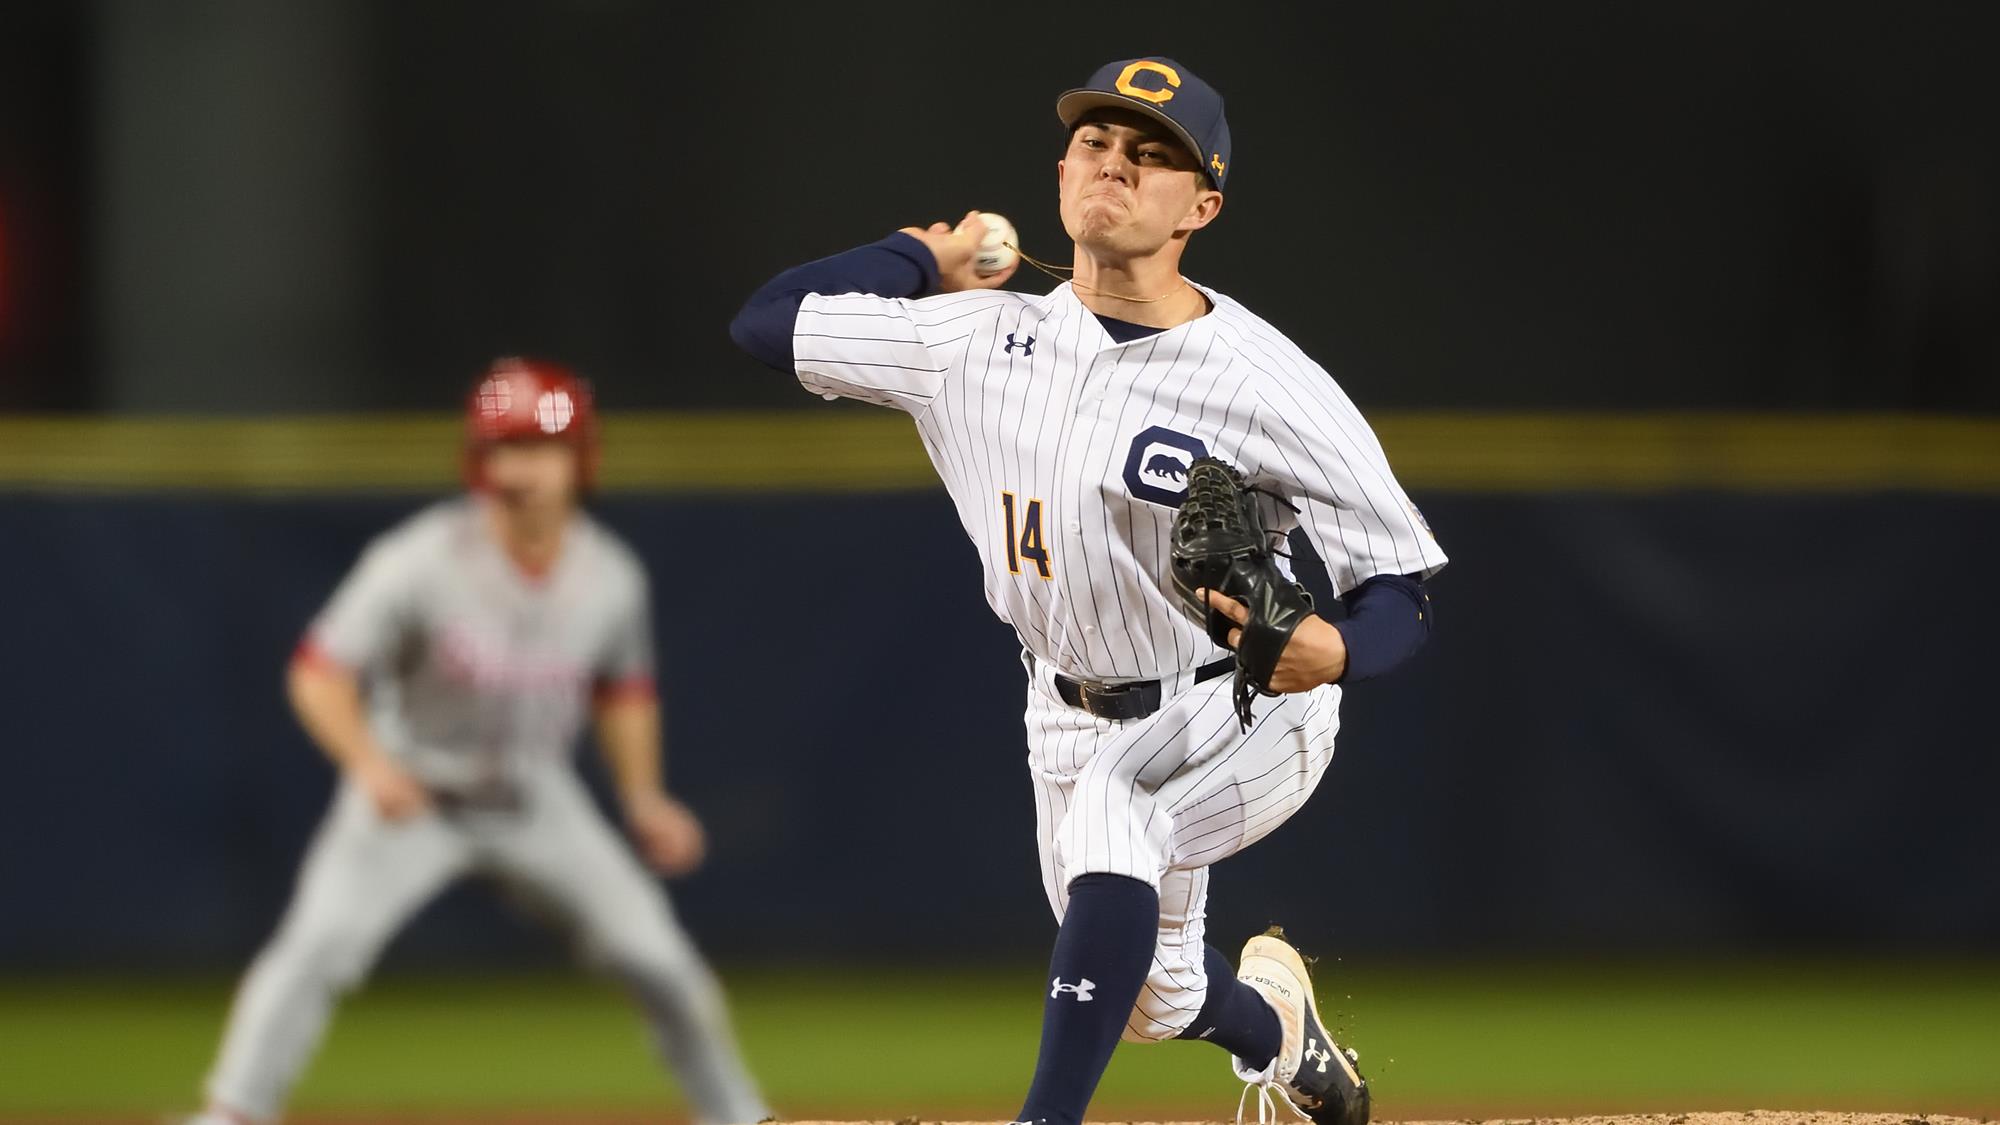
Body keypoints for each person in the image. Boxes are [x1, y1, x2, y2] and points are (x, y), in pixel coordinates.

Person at [730, 56, 1448, 1125]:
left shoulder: (1265, 380)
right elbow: (766, 322)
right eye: (1096, 144)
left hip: (1243, 702)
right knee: (1154, 997)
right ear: (1060, 172)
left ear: (1199, 206)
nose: (1115, 163)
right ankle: (1278, 1033)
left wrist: (1334, 652)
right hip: (1060, 710)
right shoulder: (970, 342)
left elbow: (1404, 587)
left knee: (1117, 821)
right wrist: (915, 258)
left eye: (1151, 156)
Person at [187, 358, 769, 1125]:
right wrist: (370, 764)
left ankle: (738, 1115)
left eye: (539, 448)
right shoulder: (417, 561)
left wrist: (643, 796)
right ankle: (230, 1114)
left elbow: (623, 692)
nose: (519, 467)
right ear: (477, 460)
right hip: (414, 792)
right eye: (504, 448)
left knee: (660, 959)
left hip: (536, 797)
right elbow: (317, 674)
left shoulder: (611, 576)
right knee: (316, 945)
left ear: (579, 460)